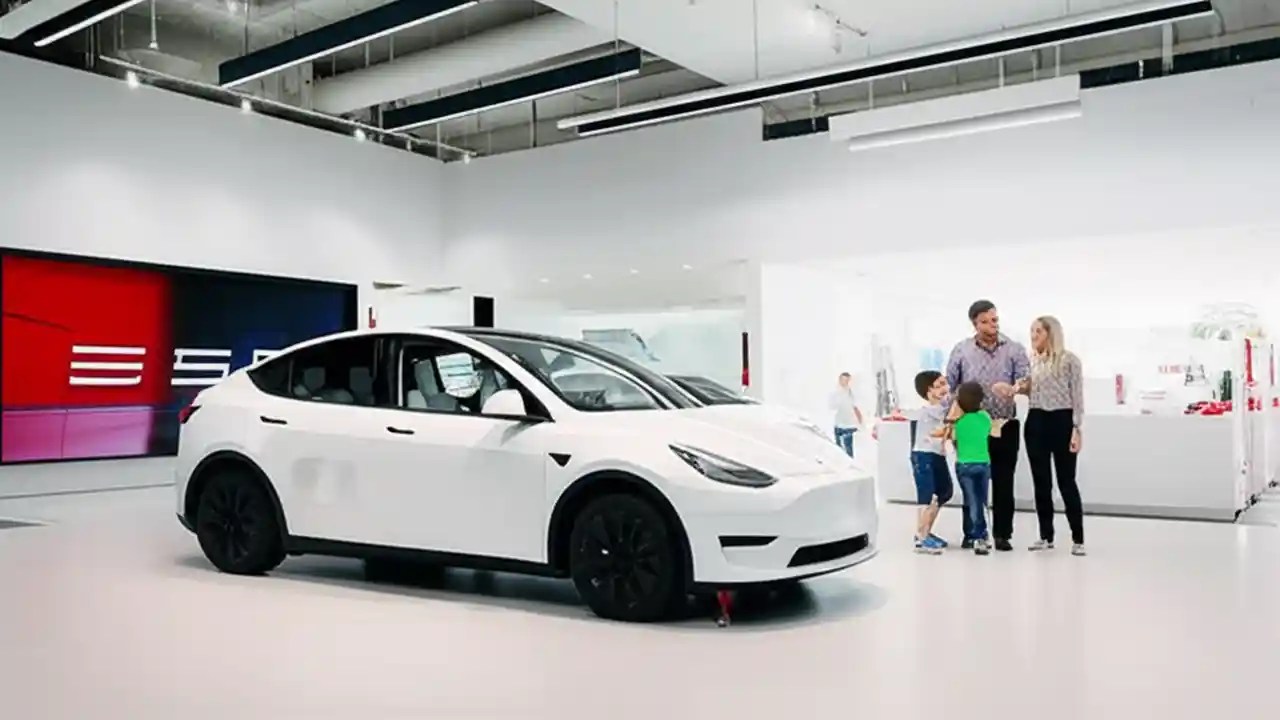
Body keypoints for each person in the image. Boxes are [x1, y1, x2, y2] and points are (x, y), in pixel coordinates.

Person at [945, 299, 1030, 552]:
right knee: (972, 482)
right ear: (974, 323)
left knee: (1004, 481)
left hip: (1005, 424)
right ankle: (972, 533)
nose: (992, 325)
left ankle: (1003, 534)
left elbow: (1026, 381)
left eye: (994, 319)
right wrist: (951, 422)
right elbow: (950, 386)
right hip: (971, 426)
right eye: (985, 321)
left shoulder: (1014, 349)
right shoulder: (961, 350)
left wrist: (1015, 388)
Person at [1016, 315, 1087, 556]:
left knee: (1067, 482)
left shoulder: (1069, 361)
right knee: (1041, 482)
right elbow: (1026, 390)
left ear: (1051, 333)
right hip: (1036, 421)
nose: (1033, 336)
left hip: (1062, 421)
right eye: (1032, 331)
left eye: (1038, 331)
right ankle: (1046, 536)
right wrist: (1014, 389)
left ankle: (1078, 538)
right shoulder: (1030, 362)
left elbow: (1077, 398)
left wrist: (1076, 429)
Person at [910, 370, 953, 554]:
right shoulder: (930, 411)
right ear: (928, 391)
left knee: (945, 491)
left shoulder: (943, 408)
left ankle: (925, 531)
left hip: (937, 455)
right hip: (923, 455)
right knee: (926, 495)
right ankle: (921, 538)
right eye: (939, 385)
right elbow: (946, 417)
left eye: (945, 383)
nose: (945, 389)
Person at [949, 381, 993, 556]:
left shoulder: (957, 423)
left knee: (969, 501)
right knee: (980, 501)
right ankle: (980, 536)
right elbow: (988, 435)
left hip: (964, 465)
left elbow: (954, 442)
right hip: (983, 464)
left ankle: (970, 536)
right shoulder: (985, 418)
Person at [829, 372, 864, 457]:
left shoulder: (851, 393)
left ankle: (850, 466)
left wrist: (860, 420)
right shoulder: (836, 393)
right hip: (839, 424)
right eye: (844, 380)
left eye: (847, 380)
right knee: (839, 450)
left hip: (849, 425)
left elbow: (855, 407)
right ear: (840, 380)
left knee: (848, 450)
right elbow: (832, 406)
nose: (846, 382)